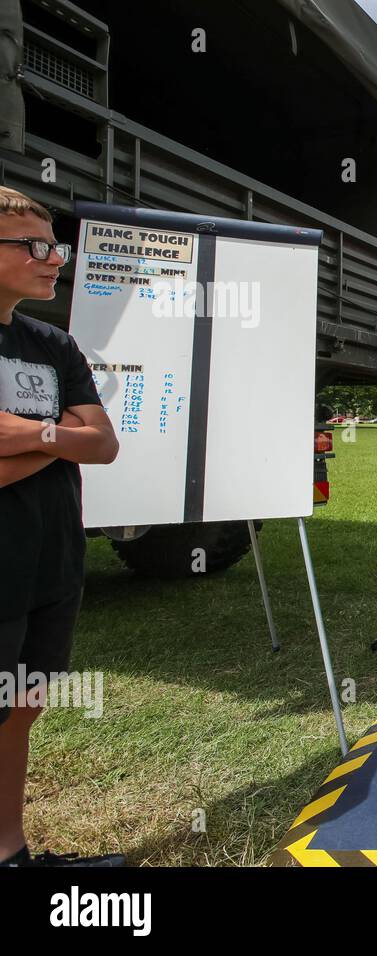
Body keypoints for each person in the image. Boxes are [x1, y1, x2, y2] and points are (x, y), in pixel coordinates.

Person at [0, 187, 122, 866]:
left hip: (52, 561)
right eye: (35, 246)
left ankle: (10, 854)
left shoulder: (51, 341)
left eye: (57, 247)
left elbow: (102, 445)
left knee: (22, 707)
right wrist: (59, 439)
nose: (54, 260)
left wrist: (24, 434)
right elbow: (79, 441)